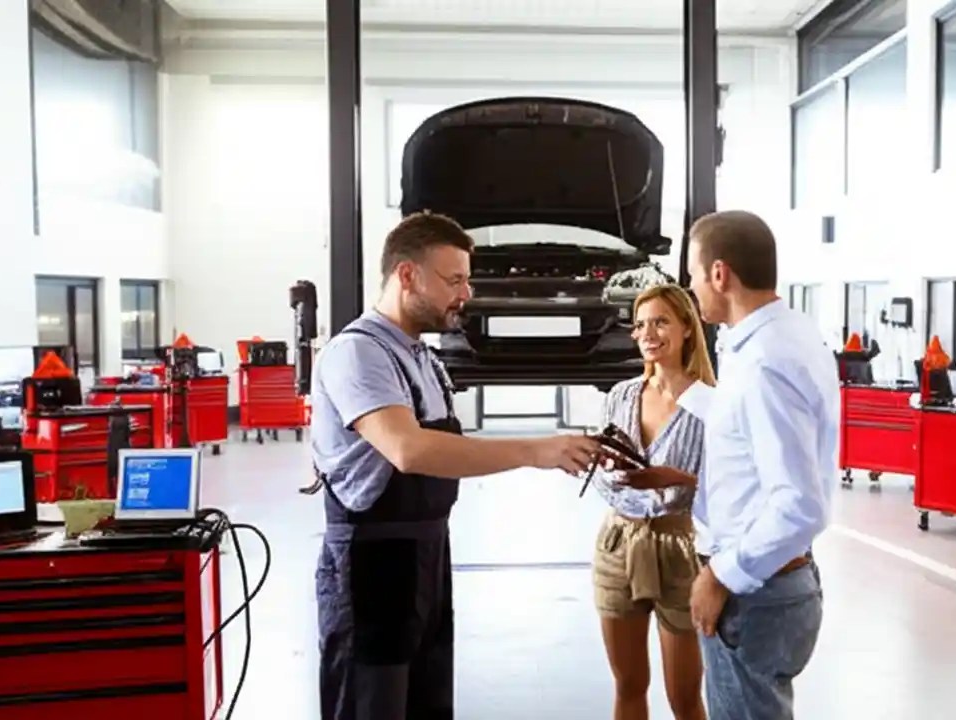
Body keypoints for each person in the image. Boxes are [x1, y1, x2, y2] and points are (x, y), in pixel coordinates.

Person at [310, 210, 603, 720]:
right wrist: (535, 451)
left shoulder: (422, 357)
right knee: (370, 705)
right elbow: (410, 450)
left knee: (427, 702)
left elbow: (444, 450)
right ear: (407, 275)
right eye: (454, 280)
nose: (465, 294)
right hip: (370, 569)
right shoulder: (358, 353)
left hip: (426, 557)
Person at [622, 210, 839, 720]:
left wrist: (719, 575)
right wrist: (675, 381)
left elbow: (801, 505)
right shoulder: (781, 336)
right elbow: (746, 424)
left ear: (720, 274)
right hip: (777, 583)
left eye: (694, 276)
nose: (692, 290)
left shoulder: (764, 361)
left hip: (755, 592)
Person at [589, 284, 715, 720]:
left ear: (686, 329)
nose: (648, 332)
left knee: (684, 697)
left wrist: (676, 480)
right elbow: (607, 476)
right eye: (640, 324)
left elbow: (728, 487)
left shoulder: (709, 406)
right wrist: (603, 465)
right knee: (627, 685)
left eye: (661, 321)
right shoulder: (621, 396)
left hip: (678, 548)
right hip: (617, 542)